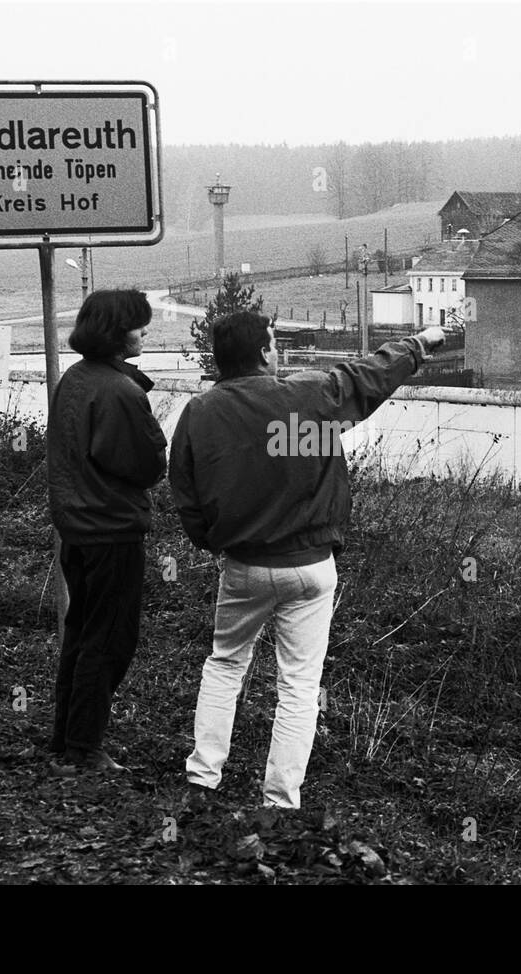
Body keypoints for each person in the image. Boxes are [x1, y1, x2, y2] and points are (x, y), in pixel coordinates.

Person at [169, 312, 446, 808]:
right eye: (273, 343)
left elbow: (185, 491)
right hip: (313, 567)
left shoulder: (199, 412)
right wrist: (420, 344)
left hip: (244, 565)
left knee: (226, 664)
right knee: (298, 685)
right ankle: (280, 801)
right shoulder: (310, 395)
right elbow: (369, 374)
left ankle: (202, 777)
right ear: (264, 352)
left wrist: (213, 542)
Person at [46, 289, 167, 774]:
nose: (144, 332)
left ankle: (66, 739)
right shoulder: (120, 392)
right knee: (110, 641)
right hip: (112, 530)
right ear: (117, 334)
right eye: (138, 325)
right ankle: (85, 749)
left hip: (77, 527)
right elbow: (145, 465)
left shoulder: (75, 379)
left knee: (80, 632)